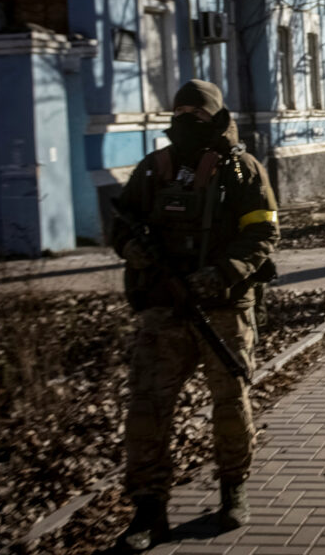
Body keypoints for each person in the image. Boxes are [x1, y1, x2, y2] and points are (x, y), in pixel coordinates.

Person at [111, 79, 279, 551]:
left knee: (230, 405)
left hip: (223, 308)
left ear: (217, 118)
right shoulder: (153, 170)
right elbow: (120, 223)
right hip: (164, 311)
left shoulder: (243, 171)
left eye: (197, 114)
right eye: (179, 111)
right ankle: (148, 512)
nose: (186, 120)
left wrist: (220, 275)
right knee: (146, 410)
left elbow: (262, 237)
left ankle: (233, 490)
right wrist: (134, 250)